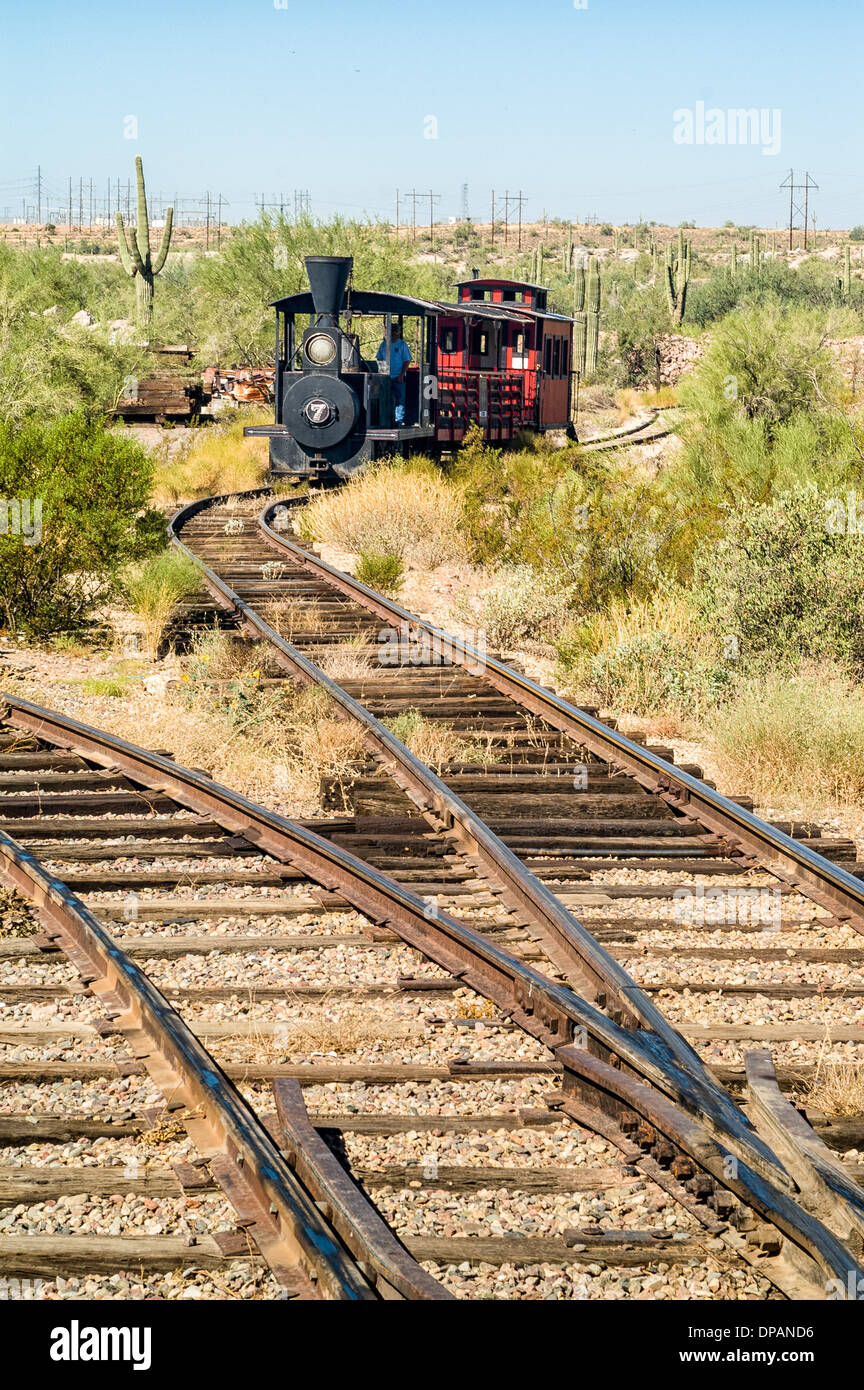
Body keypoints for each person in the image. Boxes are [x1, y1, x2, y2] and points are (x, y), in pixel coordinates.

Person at [376, 322, 412, 425]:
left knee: (400, 399)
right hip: (385, 376)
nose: (394, 333)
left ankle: (398, 420)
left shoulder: (402, 345)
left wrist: (401, 375)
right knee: (384, 398)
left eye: (396, 331)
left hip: (398, 377)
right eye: (392, 331)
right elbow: (379, 358)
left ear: (398, 332)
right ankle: (384, 419)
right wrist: (381, 372)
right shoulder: (383, 344)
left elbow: (407, 360)